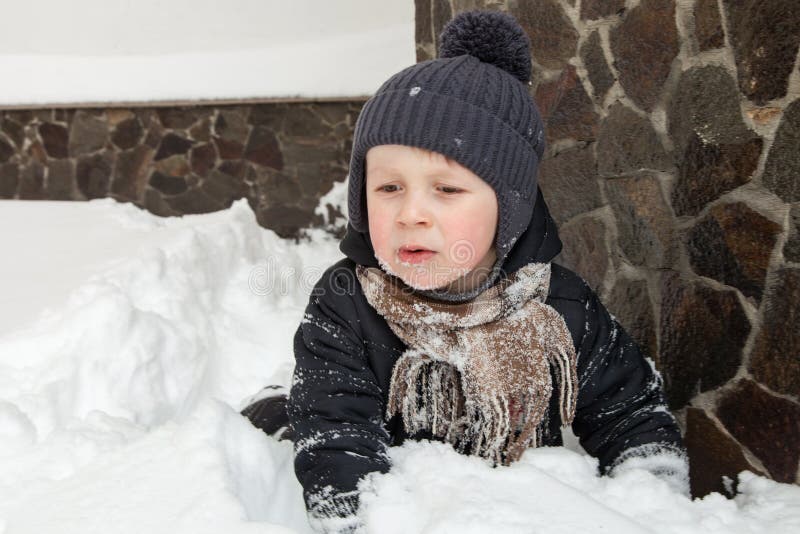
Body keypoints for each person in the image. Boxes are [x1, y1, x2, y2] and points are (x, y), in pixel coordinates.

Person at [243, 10, 688, 533]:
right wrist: (360, 521)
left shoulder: (559, 308)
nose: (411, 213)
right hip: (408, 500)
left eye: (447, 189)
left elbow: (631, 414)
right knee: (280, 422)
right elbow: (337, 438)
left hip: (503, 506)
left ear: (510, 207)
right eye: (389, 188)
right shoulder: (347, 301)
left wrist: (653, 498)